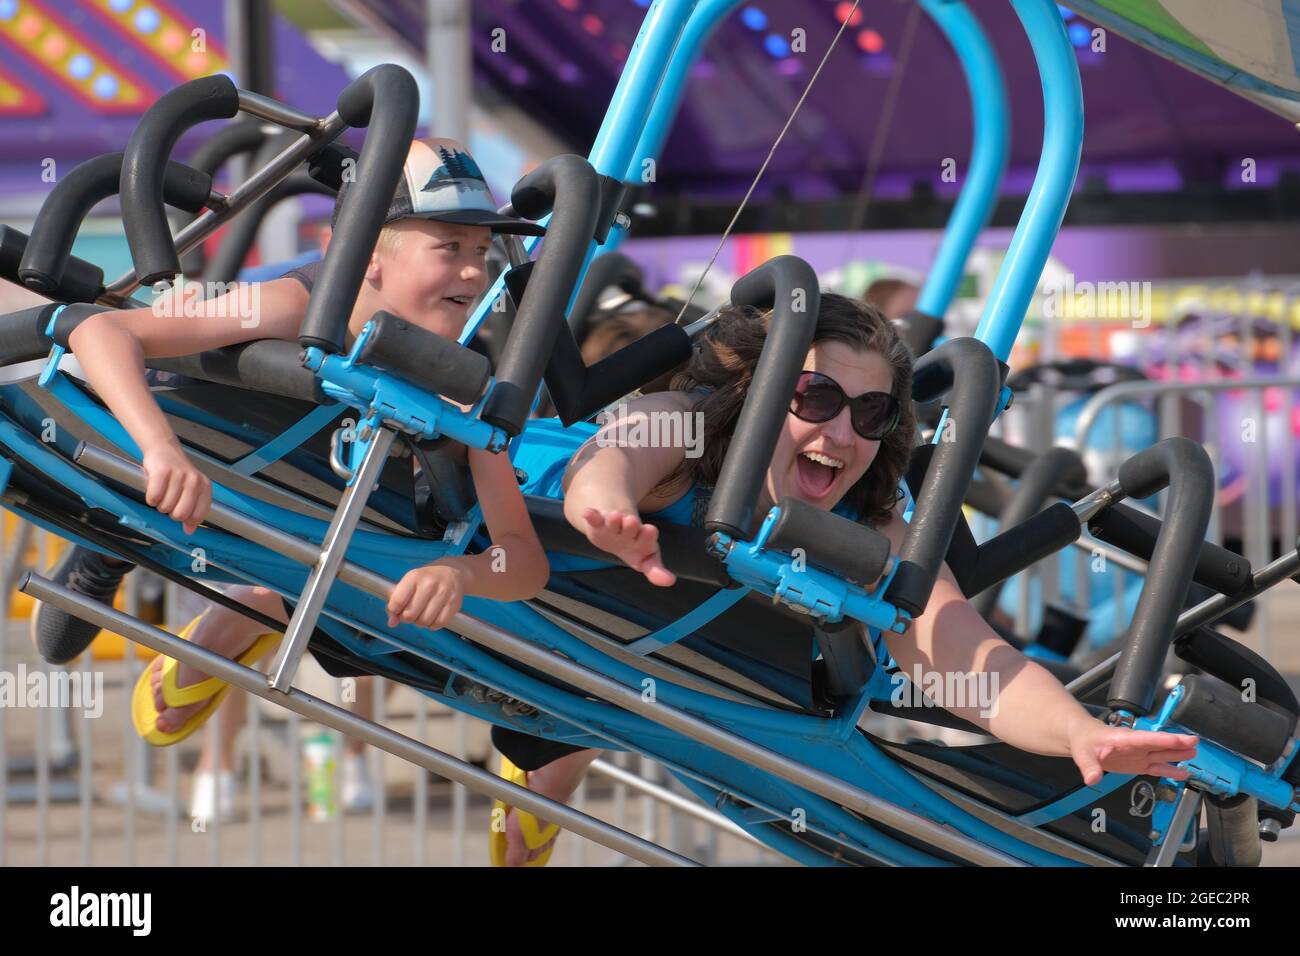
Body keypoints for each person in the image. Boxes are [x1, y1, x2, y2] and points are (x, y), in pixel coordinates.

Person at [488, 292, 1199, 866]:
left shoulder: (872, 521)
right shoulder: (690, 427)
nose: (841, 432)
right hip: (548, 576)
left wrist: (1079, 732)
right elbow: (612, 459)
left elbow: (961, 657)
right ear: (754, 393)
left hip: (683, 662)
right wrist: (607, 513)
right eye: (815, 396)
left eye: (870, 413)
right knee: (530, 805)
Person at [47, 138, 551, 747]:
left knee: (387, 602)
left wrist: (462, 574)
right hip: (178, 455)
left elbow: (523, 559)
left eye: (483, 249)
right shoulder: (297, 305)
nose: (476, 270)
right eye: (450, 248)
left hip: (315, 522)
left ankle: (253, 609)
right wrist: (159, 451)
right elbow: (101, 331)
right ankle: (117, 535)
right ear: (369, 256)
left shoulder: (462, 383)